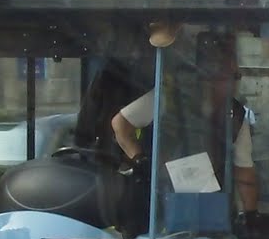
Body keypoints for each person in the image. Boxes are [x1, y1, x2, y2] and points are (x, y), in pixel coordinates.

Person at [111, 21, 260, 218]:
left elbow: (244, 173)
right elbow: (120, 124)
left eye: (234, 77)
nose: (230, 84)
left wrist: (251, 217)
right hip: (158, 205)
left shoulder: (236, 114)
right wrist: (140, 160)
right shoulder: (167, 97)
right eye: (226, 76)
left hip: (210, 208)